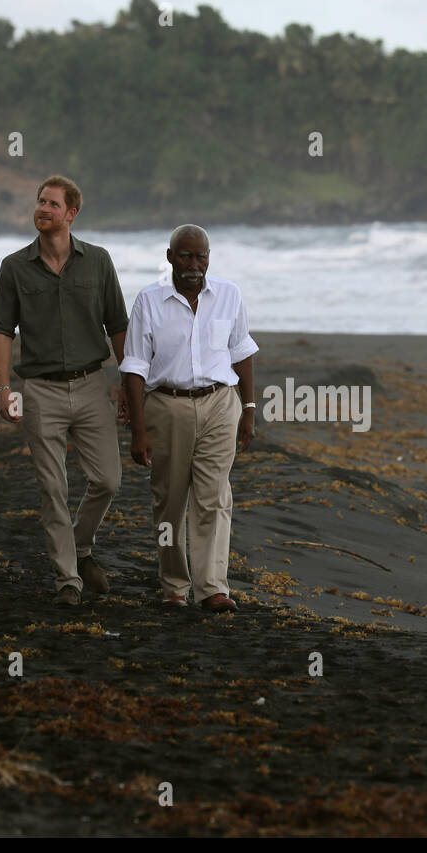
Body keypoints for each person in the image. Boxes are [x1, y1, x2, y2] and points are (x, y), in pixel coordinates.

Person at [0, 175, 128, 607]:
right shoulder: (14, 267)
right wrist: (1, 387)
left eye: (52, 203)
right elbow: (1, 329)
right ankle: (67, 579)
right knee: (52, 489)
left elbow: (118, 325)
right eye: (39, 201)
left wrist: (125, 380)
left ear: (71, 213)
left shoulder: (99, 261)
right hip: (40, 391)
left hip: (92, 385)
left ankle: (81, 546)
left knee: (108, 480)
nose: (42, 208)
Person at [120, 224, 258, 612]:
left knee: (214, 498)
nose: (194, 264)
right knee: (169, 501)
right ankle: (174, 586)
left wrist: (248, 409)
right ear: (170, 258)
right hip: (167, 406)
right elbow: (134, 368)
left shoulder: (229, 295)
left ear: (209, 259)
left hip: (220, 404)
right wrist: (138, 431)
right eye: (185, 256)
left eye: (201, 256)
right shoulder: (149, 301)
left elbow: (242, 352)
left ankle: (213, 587)